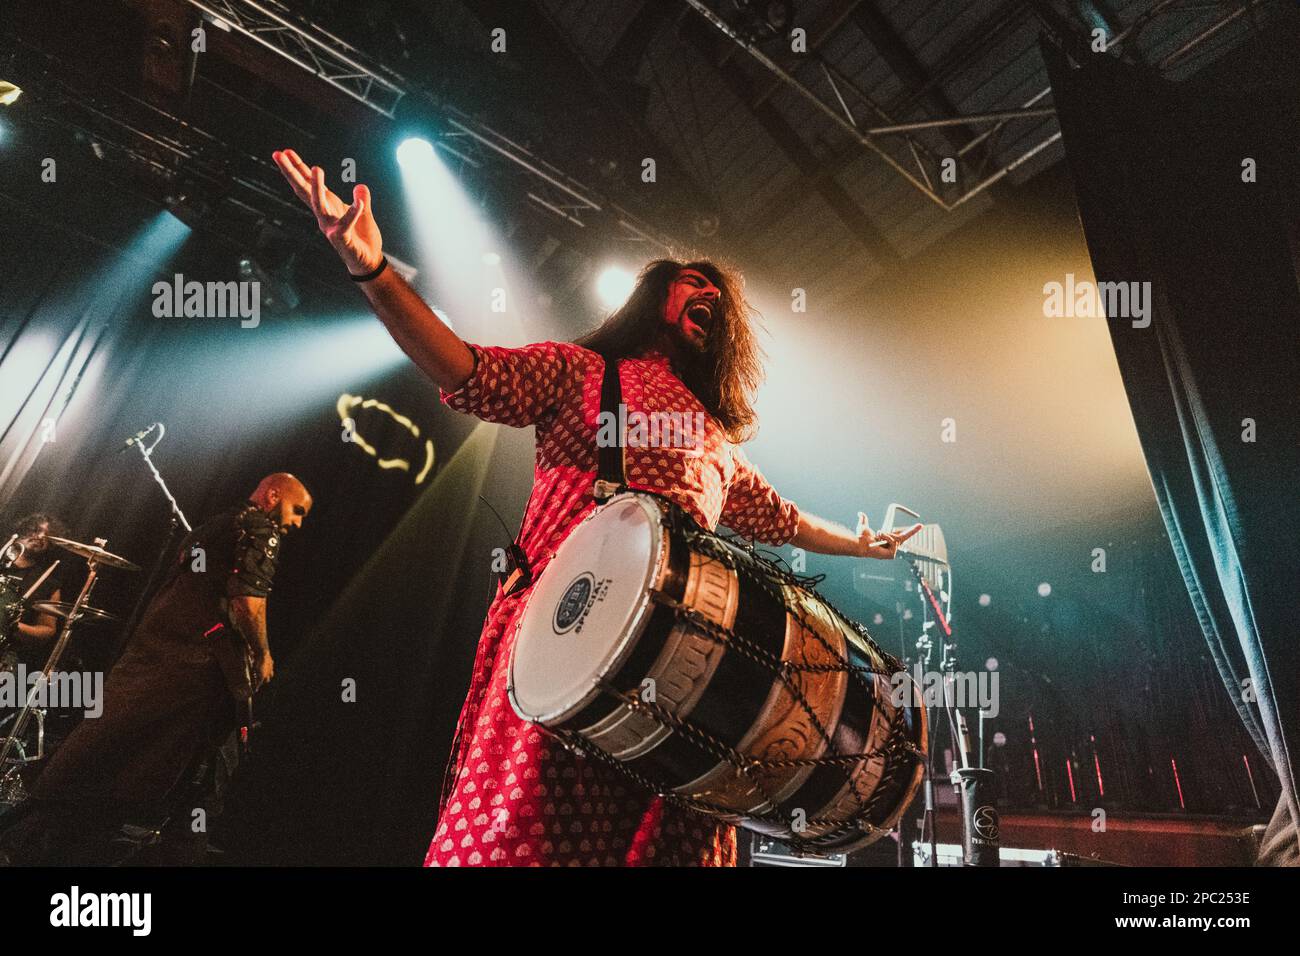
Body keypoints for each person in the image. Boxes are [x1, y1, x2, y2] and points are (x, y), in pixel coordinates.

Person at [273, 148, 918, 867]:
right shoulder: (580, 372)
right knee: (528, 843)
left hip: (685, 687)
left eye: (717, 293)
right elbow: (464, 370)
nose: (707, 290)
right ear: (659, 300)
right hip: (567, 654)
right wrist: (373, 269)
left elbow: (786, 520)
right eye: (691, 282)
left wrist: (865, 546)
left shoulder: (717, 442)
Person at [4, 474, 311, 863]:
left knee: (100, 753)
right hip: (194, 673)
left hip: (153, 661)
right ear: (272, 496)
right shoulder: (260, 527)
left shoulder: (209, 528)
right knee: (196, 778)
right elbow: (249, 602)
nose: (298, 522)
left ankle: (39, 839)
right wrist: (262, 654)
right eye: (297, 510)